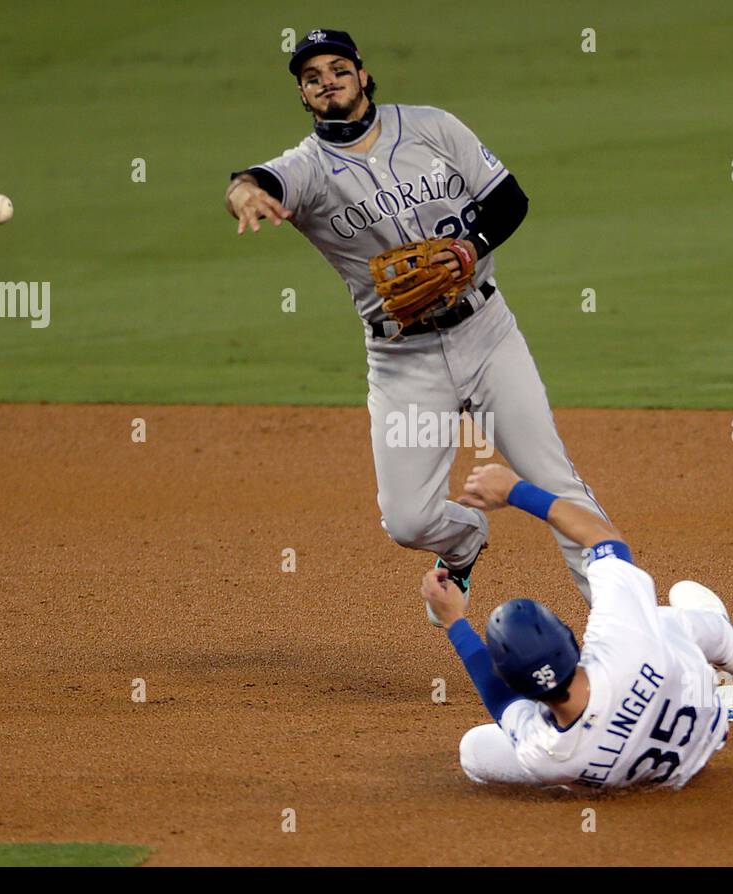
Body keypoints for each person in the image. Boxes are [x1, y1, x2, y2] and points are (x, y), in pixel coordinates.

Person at [226, 28, 608, 622]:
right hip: (404, 361)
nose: (327, 80)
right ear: (304, 96)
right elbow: (259, 180)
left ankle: (626, 629)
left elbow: (510, 200)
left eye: (338, 68)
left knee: (554, 480)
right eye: (312, 77)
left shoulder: (433, 127)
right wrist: (243, 192)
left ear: (364, 75)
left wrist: (468, 247)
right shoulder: (308, 169)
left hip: (487, 334)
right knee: (407, 521)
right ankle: (463, 542)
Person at [421, 463, 733, 790]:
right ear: (569, 639)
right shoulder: (624, 642)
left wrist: (455, 621)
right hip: (707, 732)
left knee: (475, 750)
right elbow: (603, 537)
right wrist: (515, 490)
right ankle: (729, 648)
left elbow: (502, 702)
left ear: (517, 685)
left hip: (625, 770)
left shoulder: (544, 753)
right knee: (662, 619)